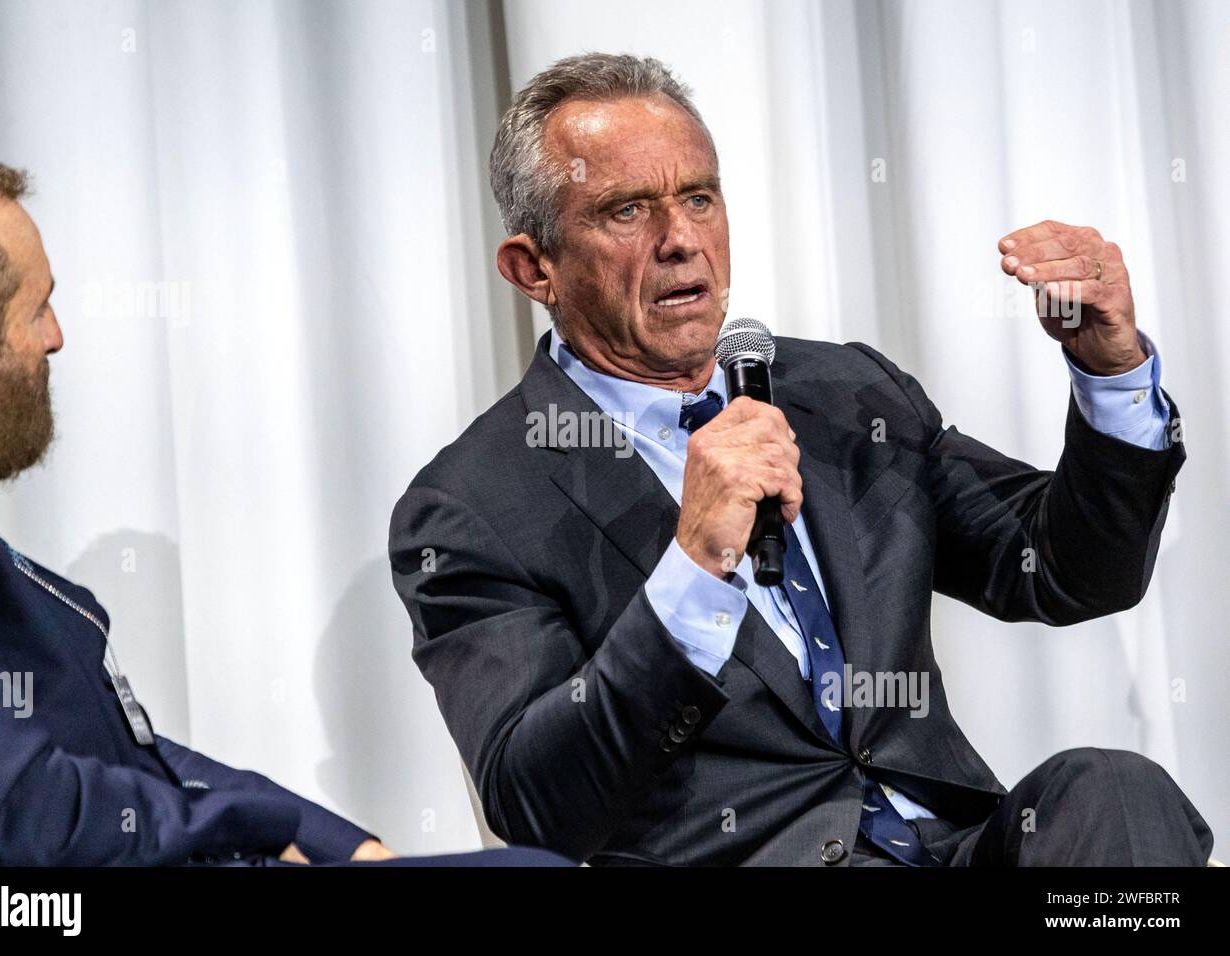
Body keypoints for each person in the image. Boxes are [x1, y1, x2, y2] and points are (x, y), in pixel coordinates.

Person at [388, 53, 1214, 866]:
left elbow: (1067, 570)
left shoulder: (843, 393)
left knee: (1111, 791)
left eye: (699, 198)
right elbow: (538, 805)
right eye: (627, 211)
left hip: (952, 847)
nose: (682, 242)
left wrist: (1111, 372)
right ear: (534, 268)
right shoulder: (474, 504)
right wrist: (696, 563)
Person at [0, 159, 568, 868]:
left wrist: (336, 842)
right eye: (37, 308)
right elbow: (34, 813)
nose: (55, 337)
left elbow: (134, 754)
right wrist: (252, 828)